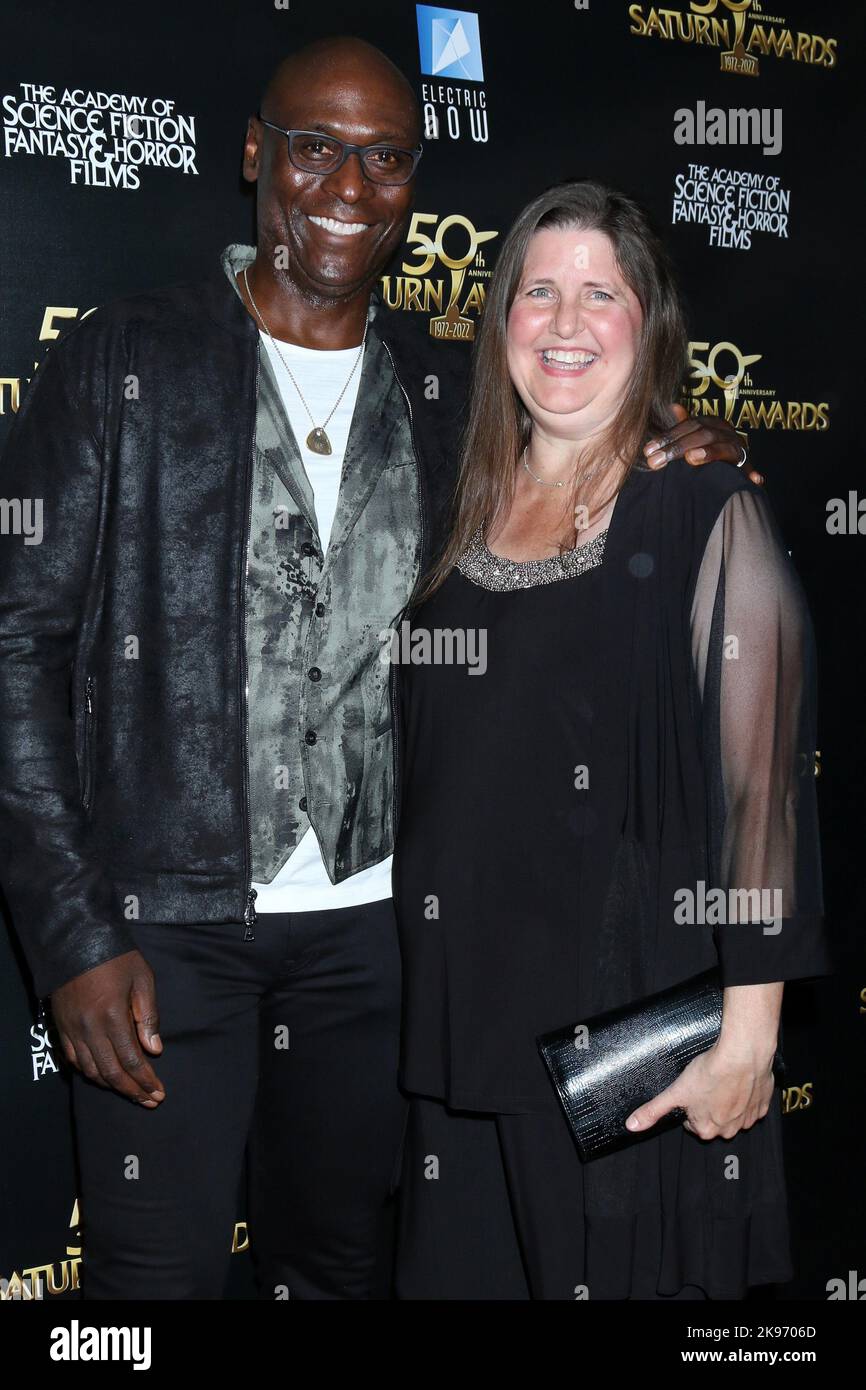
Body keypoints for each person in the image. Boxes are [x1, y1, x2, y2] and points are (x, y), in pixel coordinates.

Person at [0, 39, 749, 1300]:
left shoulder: (454, 390)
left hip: (384, 930)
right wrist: (72, 932)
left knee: (342, 1266)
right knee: (152, 1281)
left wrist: (679, 440)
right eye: (314, 147)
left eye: (385, 157)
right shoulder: (120, 361)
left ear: (413, 182)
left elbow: (579, 471)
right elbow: (16, 646)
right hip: (163, 928)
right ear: (254, 155)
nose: (347, 185)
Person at [390, 180, 833, 1301]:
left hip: (617, 1043)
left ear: (650, 325)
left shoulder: (699, 502)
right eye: (537, 292)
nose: (566, 320)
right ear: (500, 324)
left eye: (601, 292)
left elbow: (760, 788)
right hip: (460, 1028)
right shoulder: (458, 492)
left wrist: (747, 1039)